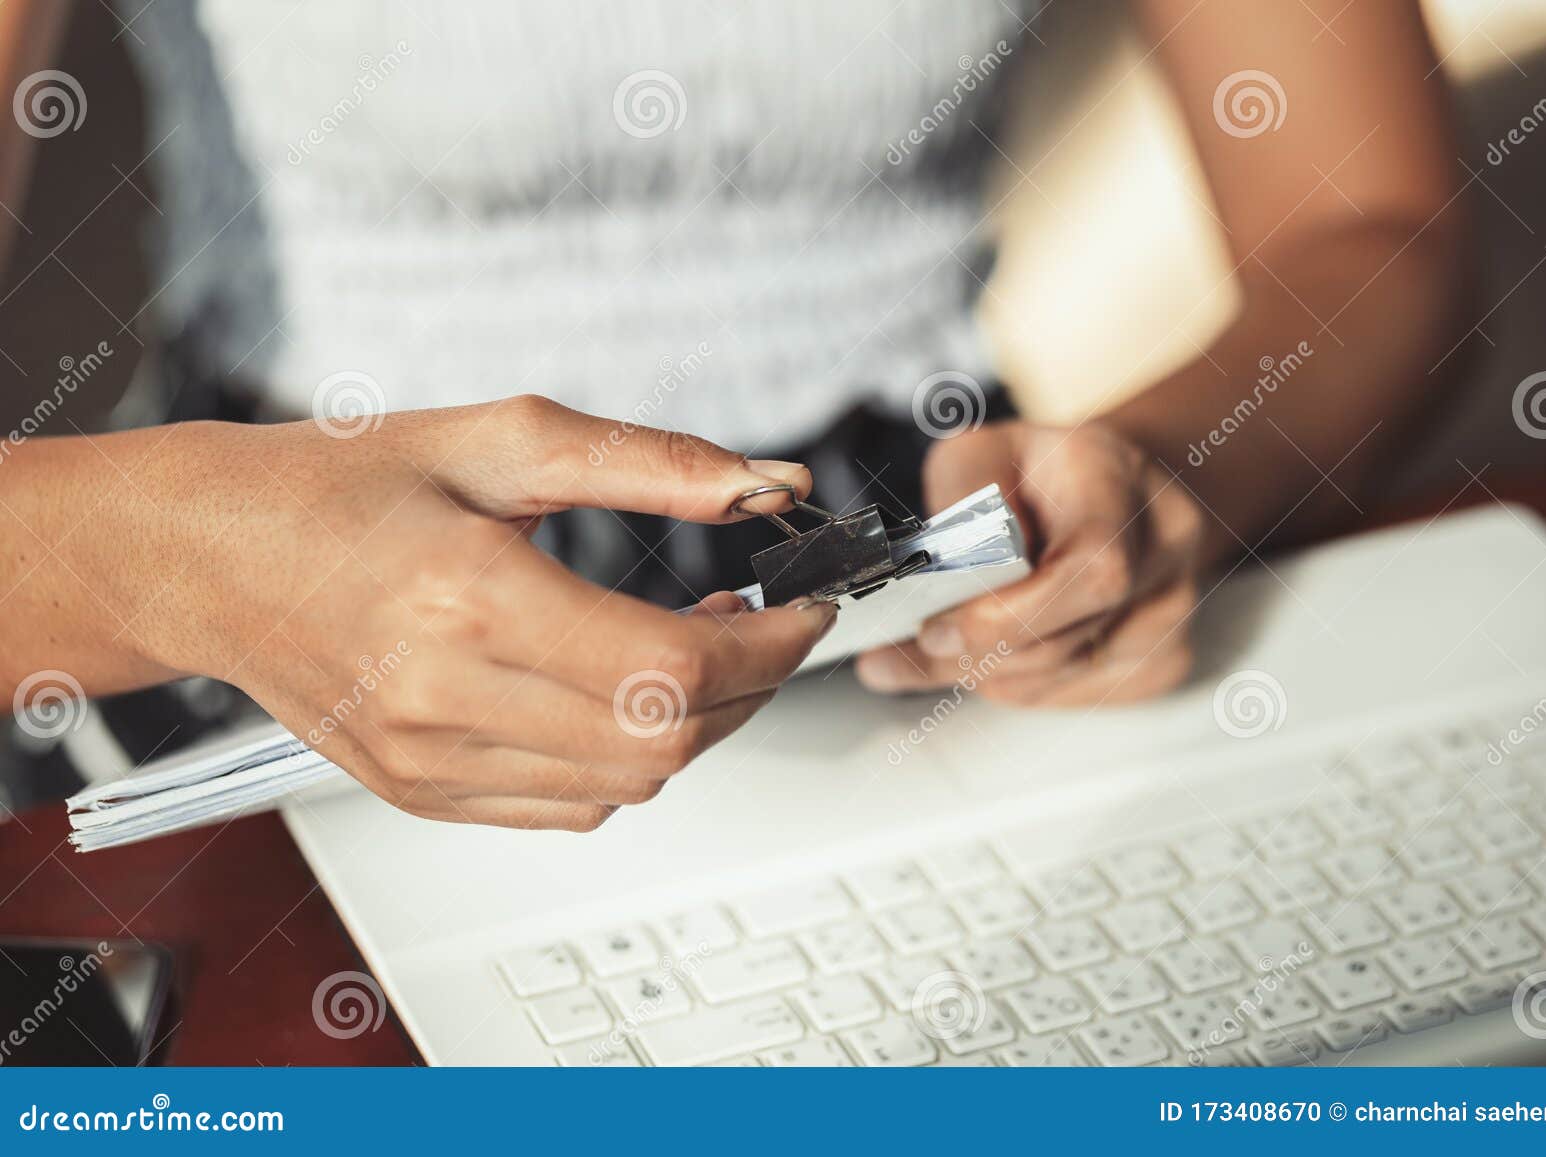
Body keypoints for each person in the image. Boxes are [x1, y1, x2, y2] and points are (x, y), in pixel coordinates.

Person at [0, 0, 1469, 830]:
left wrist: (1169, 469)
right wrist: (184, 561)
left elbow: (1372, 226)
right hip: (256, 588)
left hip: (916, 597)